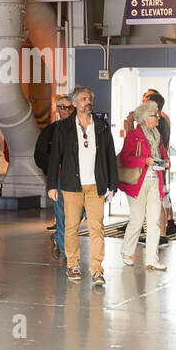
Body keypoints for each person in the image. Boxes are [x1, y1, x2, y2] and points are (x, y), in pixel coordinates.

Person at [45, 85, 118, 286]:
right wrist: (52, 184)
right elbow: (54, 159)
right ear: (75, 103)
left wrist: (113, 183)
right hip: (71, 185)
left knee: (97, 228)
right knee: (71, 227)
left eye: (89, 99)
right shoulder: (63, 128)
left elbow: (109, 156)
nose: (88, 102)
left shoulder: (101, 126)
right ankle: (73, 264)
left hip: (96, 186)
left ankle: (97, 269)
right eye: (84, 99)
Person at [118, 100, 169, 271]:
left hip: (155, 180)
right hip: (137, 182)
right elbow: (125, 158)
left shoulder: (157, 135)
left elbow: (163, 153)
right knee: (138, 219)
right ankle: (127, 251)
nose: (158, 118)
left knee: (154, 220)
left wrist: (167, 161)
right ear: (146, 118)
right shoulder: (133, 135)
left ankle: (152, 259)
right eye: (156, 115)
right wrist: (143, 161)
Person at [34, 94, 74, 260]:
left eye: (68, 107)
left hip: (78, 178)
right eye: (61, 107)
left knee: (79, 214)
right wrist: (54, 166)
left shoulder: (81, 129)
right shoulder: (50, 131)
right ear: (57, 110)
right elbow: (39, 156)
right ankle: (66, 254)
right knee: (62, 215)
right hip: (58, 179)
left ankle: (59, 237)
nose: (64, 110)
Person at [141, 88, 174, 242]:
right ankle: (160, 233)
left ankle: (160, 234)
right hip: (159, 163)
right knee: (158, 197)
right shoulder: (164, 120)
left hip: (154, 163)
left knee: (156, 198)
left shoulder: (156, 123)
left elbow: (150, 146)